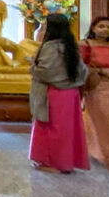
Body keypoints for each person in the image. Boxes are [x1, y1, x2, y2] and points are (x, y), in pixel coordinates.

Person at [28, 13, 89, 173]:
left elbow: (45, 71)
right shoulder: (71, 45)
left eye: (45, 26)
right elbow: (82, 71)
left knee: (52, 128)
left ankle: (51, 162)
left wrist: (32, 67)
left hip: (54, 93)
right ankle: (66, 162)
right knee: (67, 129)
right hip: (71, 94)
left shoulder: (50, 46)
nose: (42, 30)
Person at [80, 16, 109, 174]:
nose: (105, 30)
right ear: (93, 28)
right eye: (101, 26)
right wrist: (100, 71)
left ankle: (104, 153)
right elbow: (81, 66)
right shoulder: (85, 45)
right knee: (102, 123)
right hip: (96, 87)